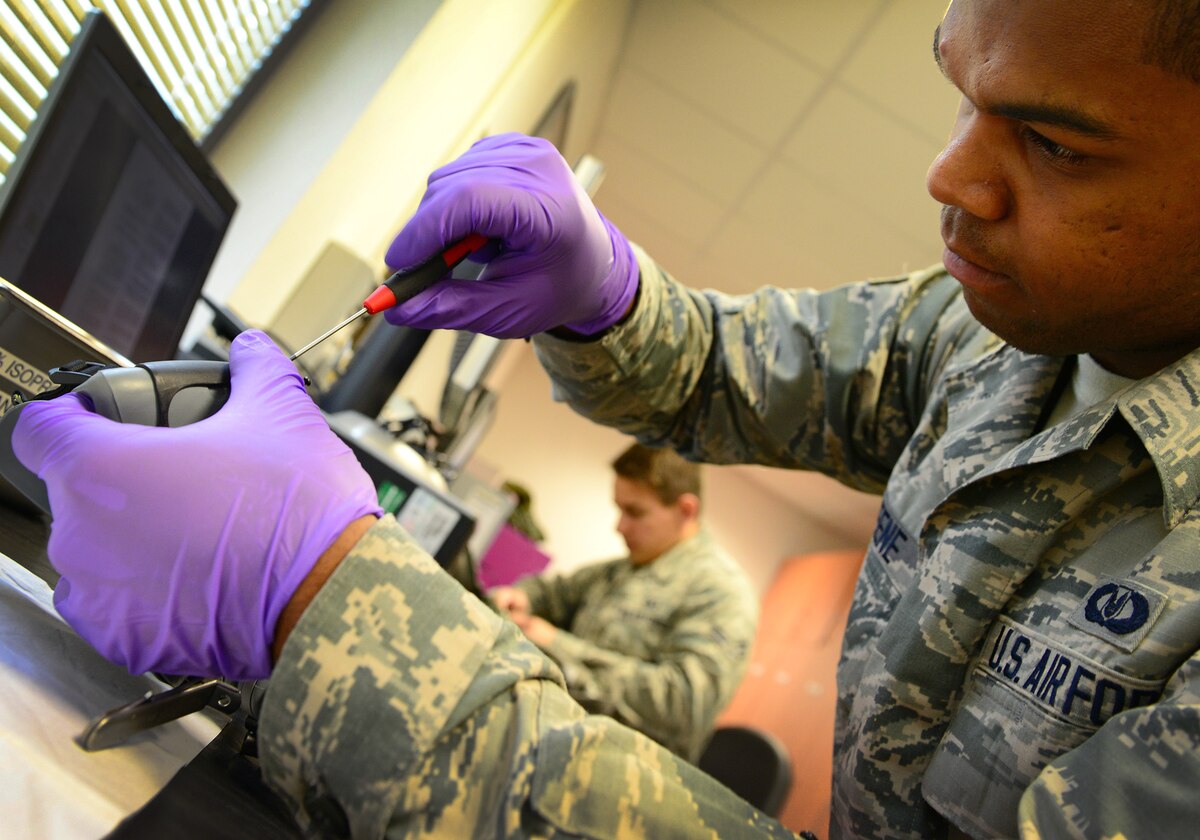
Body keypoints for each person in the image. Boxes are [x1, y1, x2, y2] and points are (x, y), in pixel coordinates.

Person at [11, 0, 1200, 836]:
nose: (950, 178)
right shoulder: (987, 336)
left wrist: (324, 597)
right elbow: (733, 368)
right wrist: (605, 299)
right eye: (960, 92)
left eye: (1050, 142)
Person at [489, 443, 758, 762]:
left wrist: (557, 644)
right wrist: (522, 597)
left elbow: (681, 705)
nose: (620, 526)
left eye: (635, 512)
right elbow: (556, 592)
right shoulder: (630, 567)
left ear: (686, 510)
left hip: (617, 768)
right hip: (553, 735)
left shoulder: (719, 590)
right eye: (620, 509)